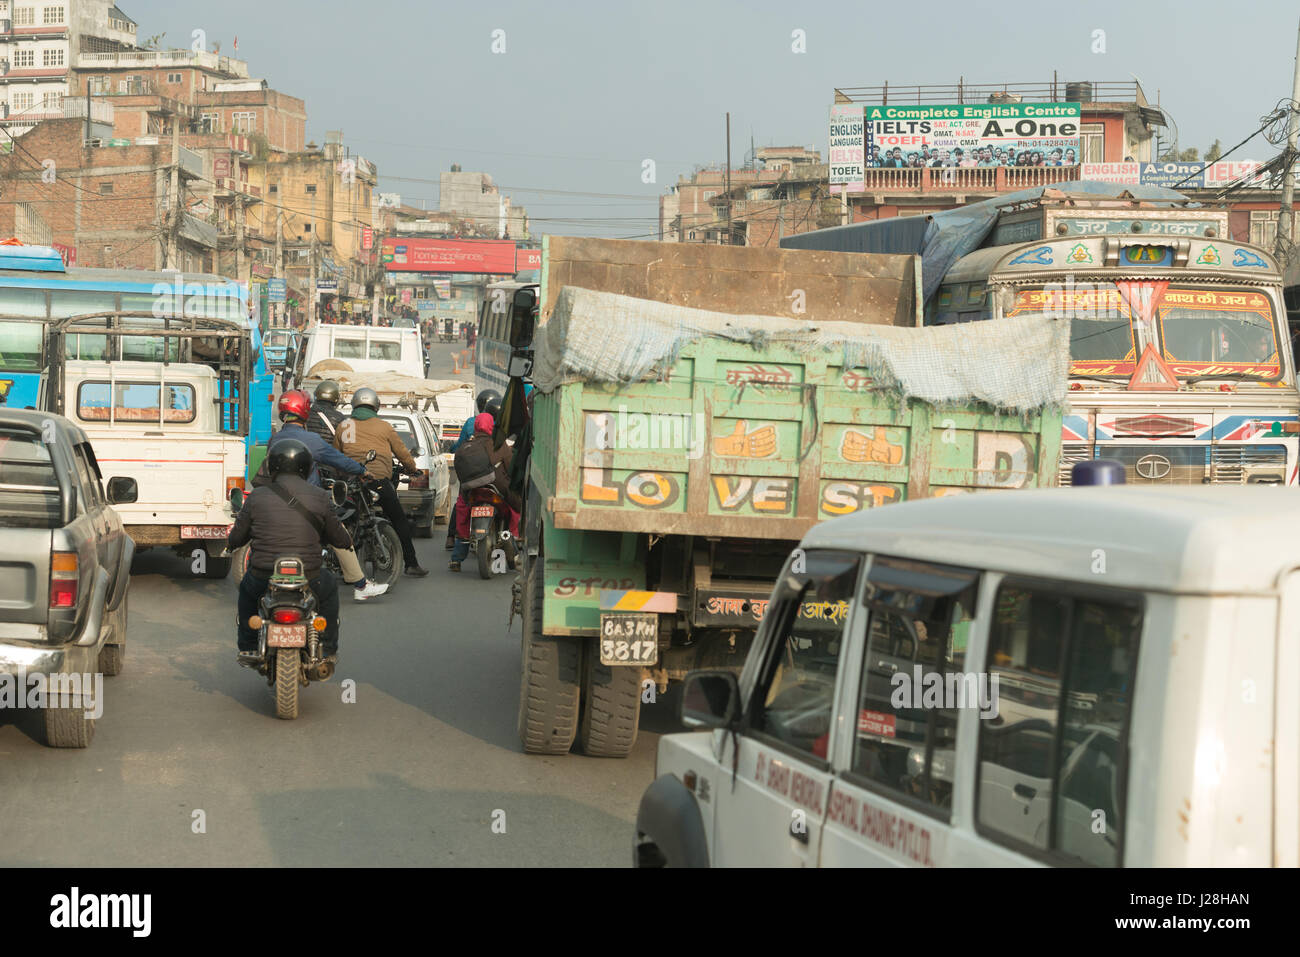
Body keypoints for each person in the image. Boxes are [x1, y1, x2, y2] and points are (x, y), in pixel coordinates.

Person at [254, 391, 390, 602]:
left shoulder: (276, 439)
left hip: (277, 500)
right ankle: (361, 585)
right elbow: (339, 460)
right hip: (308, 502)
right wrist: (362, 470)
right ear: (304, 410)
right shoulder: (311, 440)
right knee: (340, 536)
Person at [228, 439, 350, 669]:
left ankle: (248, 644)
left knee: (246, 591)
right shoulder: (320, 496)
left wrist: (232, 542)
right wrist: (345, 541)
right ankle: (328, 648)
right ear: (306, 467)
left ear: (272, 466)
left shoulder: (257, 496)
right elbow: (338, 537)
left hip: (264, 573)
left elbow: (237, 537)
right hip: (310, 574)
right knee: (329, 590)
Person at [334, 387, 429, 577]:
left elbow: (335, 455)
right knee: (399, 519)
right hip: (377, 481)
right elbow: (402, 453)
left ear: (354, 404)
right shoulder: (384, 427)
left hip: (350, 484)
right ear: (375, 406)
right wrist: (412, 469)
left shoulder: (343, 426)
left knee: (340, 520)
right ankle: (411, 563)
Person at [449, 412, 519, 572]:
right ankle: (513, 539)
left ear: (475, 426)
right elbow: (511, 468)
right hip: (497, 488)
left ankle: (456, 558)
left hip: (471, 490)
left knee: (462, 510)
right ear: (491, 427)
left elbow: (460, 472)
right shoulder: (499, 444)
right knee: (515, 507)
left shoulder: (465, 446)